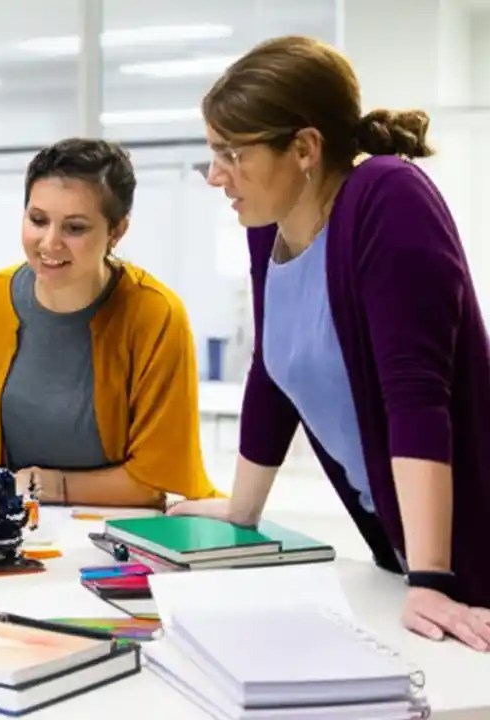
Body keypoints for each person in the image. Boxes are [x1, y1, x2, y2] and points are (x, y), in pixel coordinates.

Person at [168, 35, 490, 651]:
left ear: (305, 148)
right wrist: (241, 511)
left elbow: (417, 398)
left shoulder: (389, 198)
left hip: (466, 552)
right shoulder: (269, 226)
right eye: (212, 153)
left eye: (232, 153)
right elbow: (271, 371)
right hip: (406, 553)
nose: (215, 176)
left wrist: (430, 578)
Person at [0, 139, 220, 508]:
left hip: (123, 526)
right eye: (38, 220)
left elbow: (156, 481)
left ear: (117, 231)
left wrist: (46, 485)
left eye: (75, 228)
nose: (50, 243)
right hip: (21, 522)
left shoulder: (156, 315)